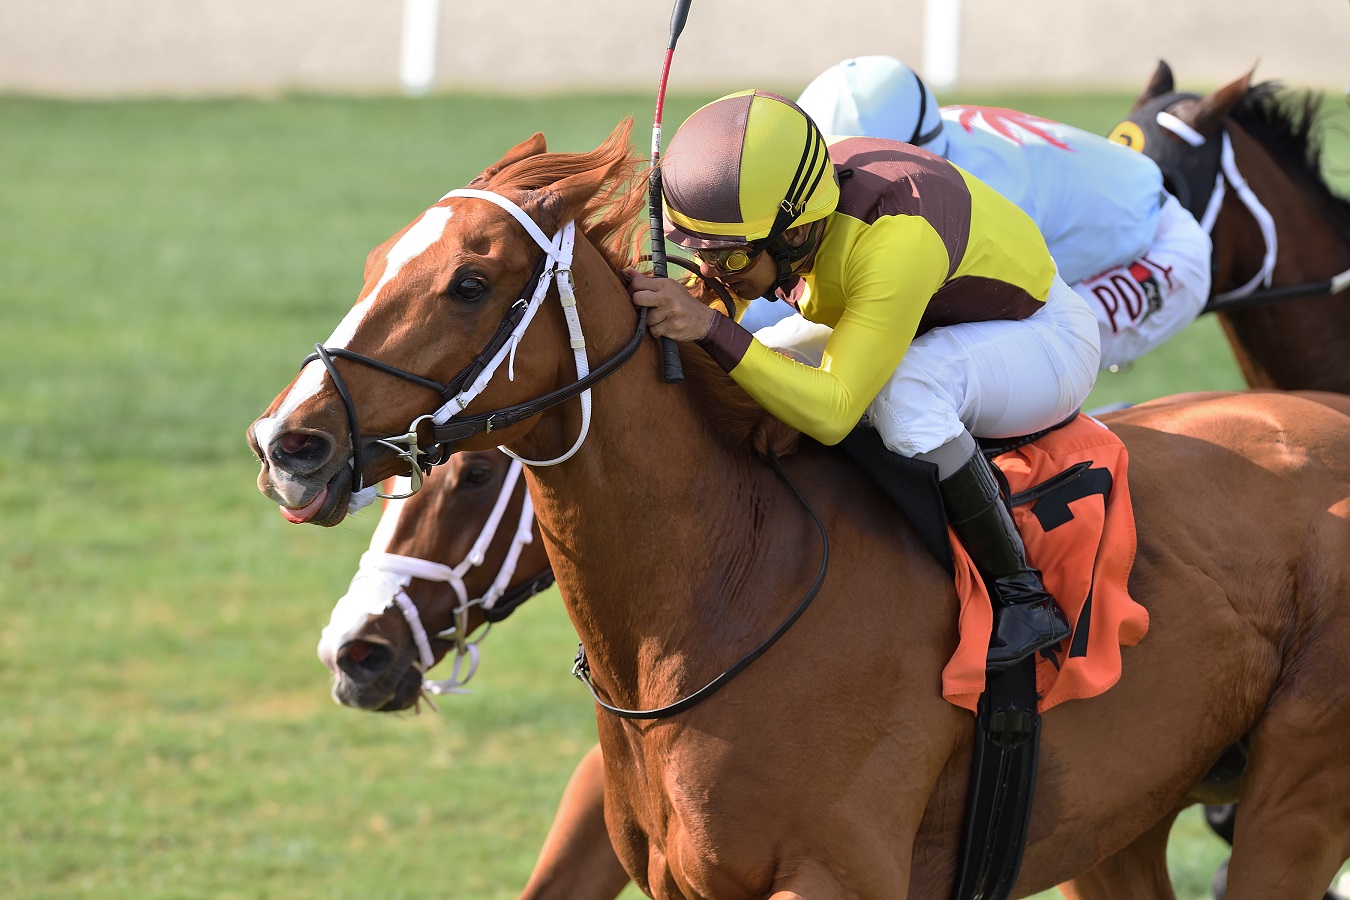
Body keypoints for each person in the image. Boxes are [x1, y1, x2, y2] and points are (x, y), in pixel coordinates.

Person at [628, 90, 1101, 670]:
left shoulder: (895, 240)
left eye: (726, 258)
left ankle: (1021, 596)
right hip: (936, 322)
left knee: (905, 392)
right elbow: (734, 325)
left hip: (1042, 339)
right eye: (697, 252)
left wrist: (707, 327)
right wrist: (703, 317)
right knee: (767, 355)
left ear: (795, 236)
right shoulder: (793, 199)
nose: (706, 270)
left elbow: (834, 411)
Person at [786, 55, 1212, 371]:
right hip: (1111, 212)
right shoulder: (926, 153)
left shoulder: (969, 190)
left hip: (1162, 250)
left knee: (958, 363)